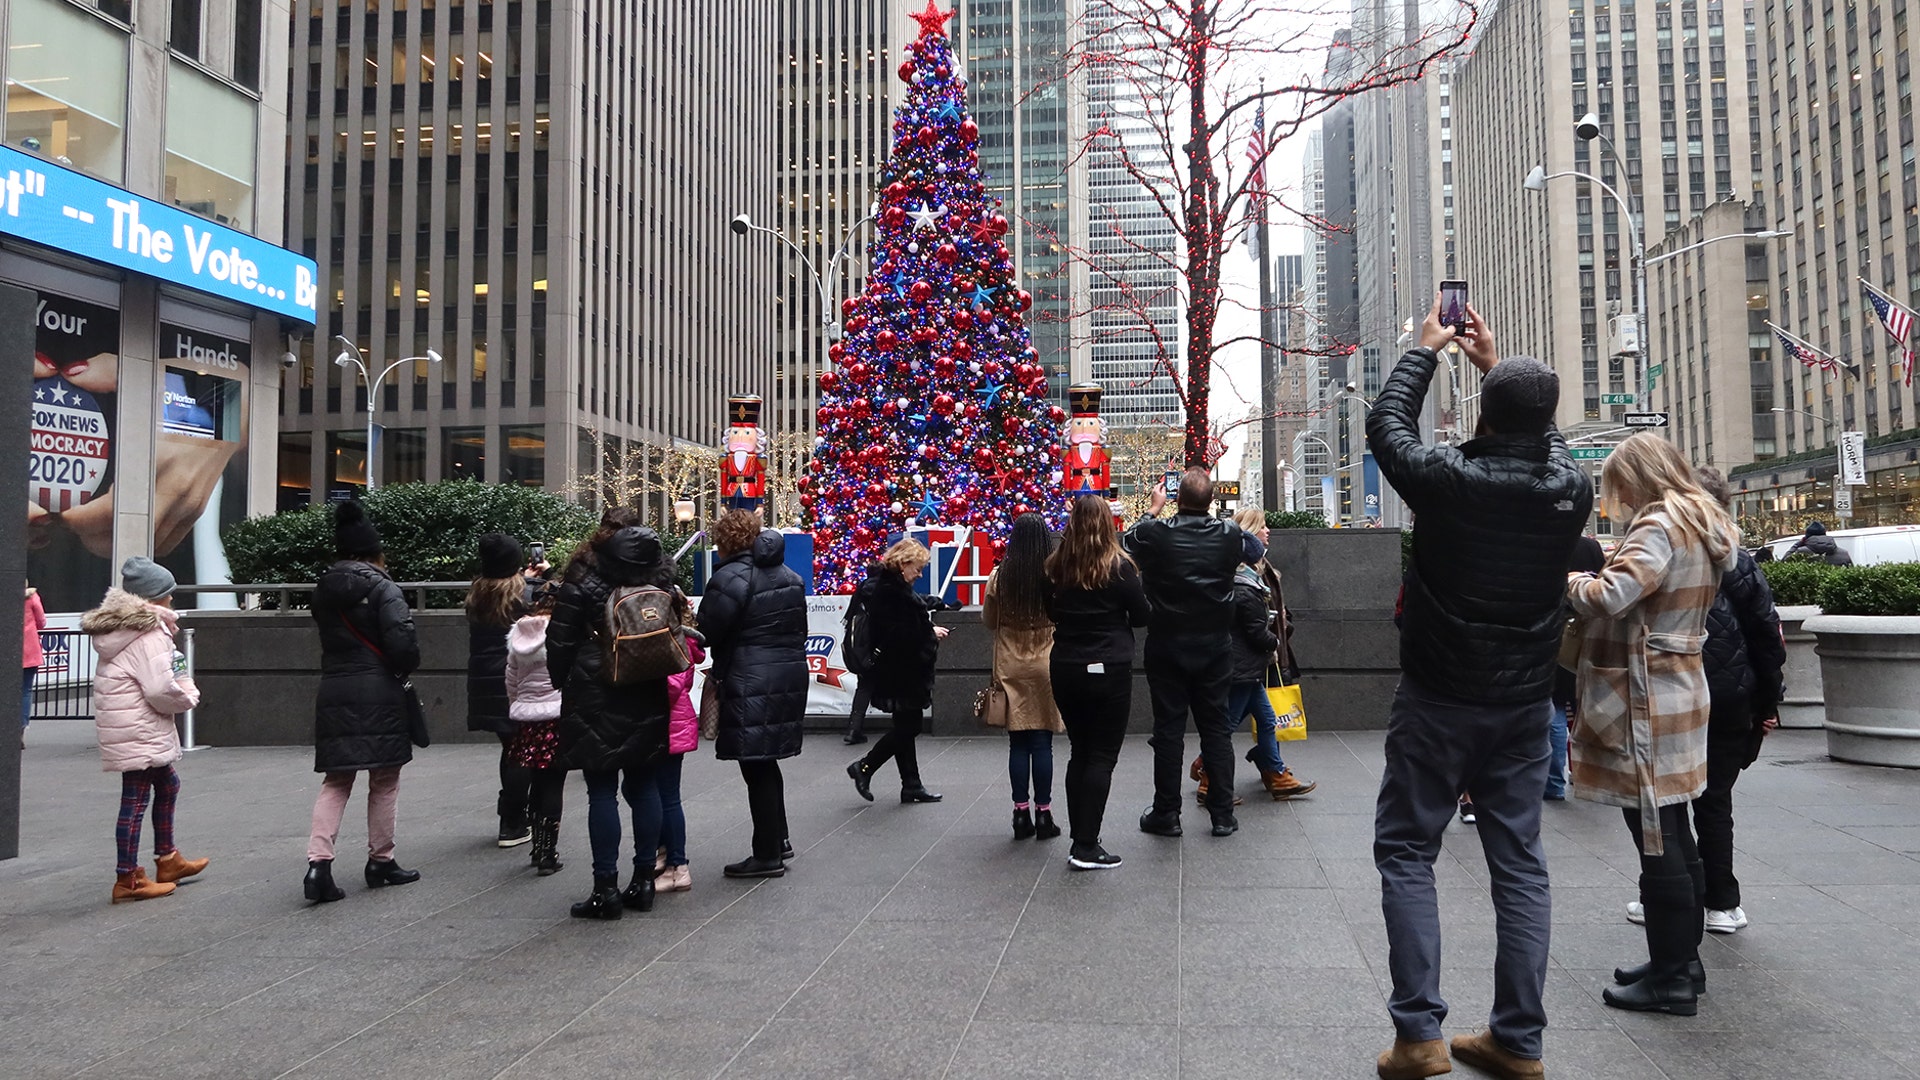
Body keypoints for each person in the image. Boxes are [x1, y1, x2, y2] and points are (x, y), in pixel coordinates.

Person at [1366, 296, 1591, 1080]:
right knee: (1520, 863)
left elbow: (1387, 427)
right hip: (1524, 704)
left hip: (1437, 696)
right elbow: (1549, 445)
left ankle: (1419, 1037)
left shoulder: (1448, 479)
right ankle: (1518, 1041)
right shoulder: (1571, 488)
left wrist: (1425, 350)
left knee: (1406, 849)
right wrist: (1495, 367)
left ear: (1486, 416)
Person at [1567, 433, 1741, 1018]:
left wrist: (1571, 581)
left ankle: (1671, 978)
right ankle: (1682, 962)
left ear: (1641, 477)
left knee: (1655, 833)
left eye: (1620, 485)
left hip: (1644, 694)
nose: (1618, 497)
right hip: (1679, 685)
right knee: (1674, 827)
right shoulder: (1703, 520)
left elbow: (1612, 594)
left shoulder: (1660, 523)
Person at [1620, 469, 1785, 938]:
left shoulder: (1670, 549)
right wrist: (1768, 702)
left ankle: (1671, 895)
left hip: (1675, 691)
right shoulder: (1738, 559)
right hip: (1732, 696)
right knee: (1715, 802)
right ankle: (1722, 903)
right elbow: (1767, 635)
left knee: (1667, 800)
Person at [547, 510, 677, 919]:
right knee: (645, 786)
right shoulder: (658, 577)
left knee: (601, 791)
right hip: (647, 684)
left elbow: (560, 639)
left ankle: (605, 888)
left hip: (594, 688)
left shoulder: (583, 577)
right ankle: (644, 881)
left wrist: (561, 679)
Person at [304, 502, 423, 903]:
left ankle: (318, 865)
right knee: (385, 779)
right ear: (375, 552)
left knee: (337, 779)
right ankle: (381, 860)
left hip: (334, 688)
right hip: (379, 690)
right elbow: (403, 646)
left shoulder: (324, 590)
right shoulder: (384, 588)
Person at [1122, 468, 1246, 839]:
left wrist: (1152, 509)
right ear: (1211, 500)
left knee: (1168, 731)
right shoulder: (1229, 534)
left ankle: (1167, 813)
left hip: (1167, 644)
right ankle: (1222, 814)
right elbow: (1254, 550)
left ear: (1177, 499)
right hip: (1215, 646)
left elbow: (1126, 543)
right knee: (1216, 730)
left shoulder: (1156, 532)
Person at [84, 557, 208, 903]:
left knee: (167, 784)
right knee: (136, 799)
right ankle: (128, 878)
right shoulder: (149, 633)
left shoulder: (126, 630)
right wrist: (188, 698)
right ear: (155, 597)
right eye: (168, 592)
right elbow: (159, 688)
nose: (172, 598)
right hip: (139, 726)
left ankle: (168, 859)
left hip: (131, 724)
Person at [698, 511, 808, 877]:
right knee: (767, 761)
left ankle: (767, 854)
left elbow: (709, 630)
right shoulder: (790, 576)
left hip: (748, 678)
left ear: (726, 541)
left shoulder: (729, 577)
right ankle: (779, 840)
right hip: (787, 673)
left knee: (756, 766)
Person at [1045, 495, 1150, 870]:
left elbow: (1051, 612)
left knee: (1080, 751)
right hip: (1110, 668)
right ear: (1108, 525)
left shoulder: (1056, 566)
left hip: (1066, 666)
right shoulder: (1120, 568)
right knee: (1102, 756)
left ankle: (1081, 838)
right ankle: (1086, 845)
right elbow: (1141, 616)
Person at [1216, 509, 1315, 801]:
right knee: (1228, 723)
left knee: (1268, 719)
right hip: (1248, 661)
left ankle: (1275, 771)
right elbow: (1255, 626)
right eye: (1262, 526)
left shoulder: (1253, 573)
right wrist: (1275, 637)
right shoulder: (1245, 581)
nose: (1268, 531)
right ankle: (1210, 774)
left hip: (1254, 661)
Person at [846, 539, 948, 804]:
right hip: (901, 671)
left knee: (905, 725)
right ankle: (865, 766)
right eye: (918, 568)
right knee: (909, 727)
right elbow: (900, 634)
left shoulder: (890, 587)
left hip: (898, 670)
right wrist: (930, 634)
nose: (920, 574)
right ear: (904, 564)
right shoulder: (892, 591)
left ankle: (911, 784)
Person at [983, 513, 1064, 840]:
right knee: (1042, 741)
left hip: (1010, 665)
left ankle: (1020, 813)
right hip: (1045, 664)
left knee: (1018, 742)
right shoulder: (1054, 576)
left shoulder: (1000, 577)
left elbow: (990, 621)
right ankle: (1044, 814)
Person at [467, 533, 535, 848]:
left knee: (510, 748)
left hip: (485, 682)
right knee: (521, 751)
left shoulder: (477, 595)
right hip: (516, 681)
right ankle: (513, 821)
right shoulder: (524, 595)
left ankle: (511, 813)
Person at [504, 581, 569, 876]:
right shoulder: (561, 633)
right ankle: (547, 853)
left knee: (536, 782)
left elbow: (511, 678)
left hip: (528, 721)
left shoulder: (519, 634)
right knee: (554, 783)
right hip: (556, 716)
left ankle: (536, 847)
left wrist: (518, 703)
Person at [1549, 536, 1607, 800]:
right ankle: (1584, 774)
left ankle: (1554, 783)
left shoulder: (1553, 545)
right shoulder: (1591, 547)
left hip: (1559, 641)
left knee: (1557, 709)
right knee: (1583, 710)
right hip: (1588, 639)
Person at [655, 627, 706, 891]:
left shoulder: (676, 641)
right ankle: (665, 853)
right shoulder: (678, 639)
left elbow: (672, 686)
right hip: (670, 726)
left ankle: (678, 865)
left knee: (667, 796)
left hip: (668, 726)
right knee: (654, 793)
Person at [22, 582, 45, 737]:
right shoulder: (31, 597)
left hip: (7, 650)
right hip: (30, 649)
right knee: (25, 690)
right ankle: (21, 727)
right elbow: (41, 622)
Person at [1783, 520, 1852, 565]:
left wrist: (1798, 544)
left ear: (1807, 537)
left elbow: (1784, 562)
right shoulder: (1843, 553)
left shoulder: (1801, 552)